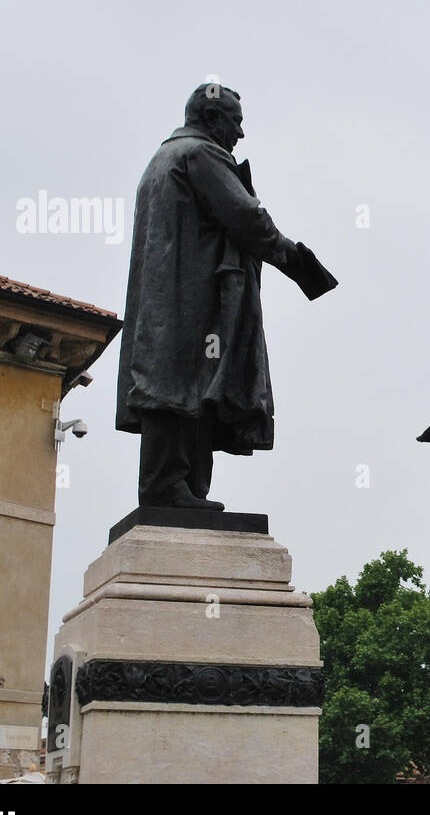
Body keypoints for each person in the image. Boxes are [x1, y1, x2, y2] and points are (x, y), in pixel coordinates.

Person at [115, 83, 335, 510]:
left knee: (184, 385)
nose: (240, 134)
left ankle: (184, 489)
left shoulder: (160, 160)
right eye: (236, 122)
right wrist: (301, 264)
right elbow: (248, 219)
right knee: (181, 384)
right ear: (213, 119)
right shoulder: (201, 154)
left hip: (168, 298)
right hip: (190, 297)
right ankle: (167, 487)